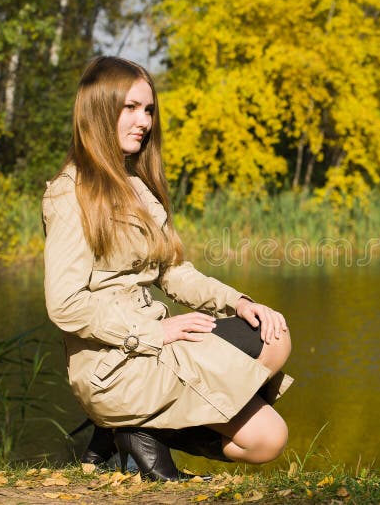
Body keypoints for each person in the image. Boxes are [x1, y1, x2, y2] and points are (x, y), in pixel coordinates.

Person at [42, 56, 293, 480]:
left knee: (273, 333)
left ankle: (133, 430)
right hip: (115, 363)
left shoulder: (137, 187)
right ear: (99, 110)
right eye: (131, 108)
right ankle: (126, 423)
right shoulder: (70, 195)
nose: (144, 121)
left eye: (149, 109)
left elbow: (173, 272)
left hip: (153, 347)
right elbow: (65, 305)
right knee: (268, 438)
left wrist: (238, 301)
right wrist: (153, 332)